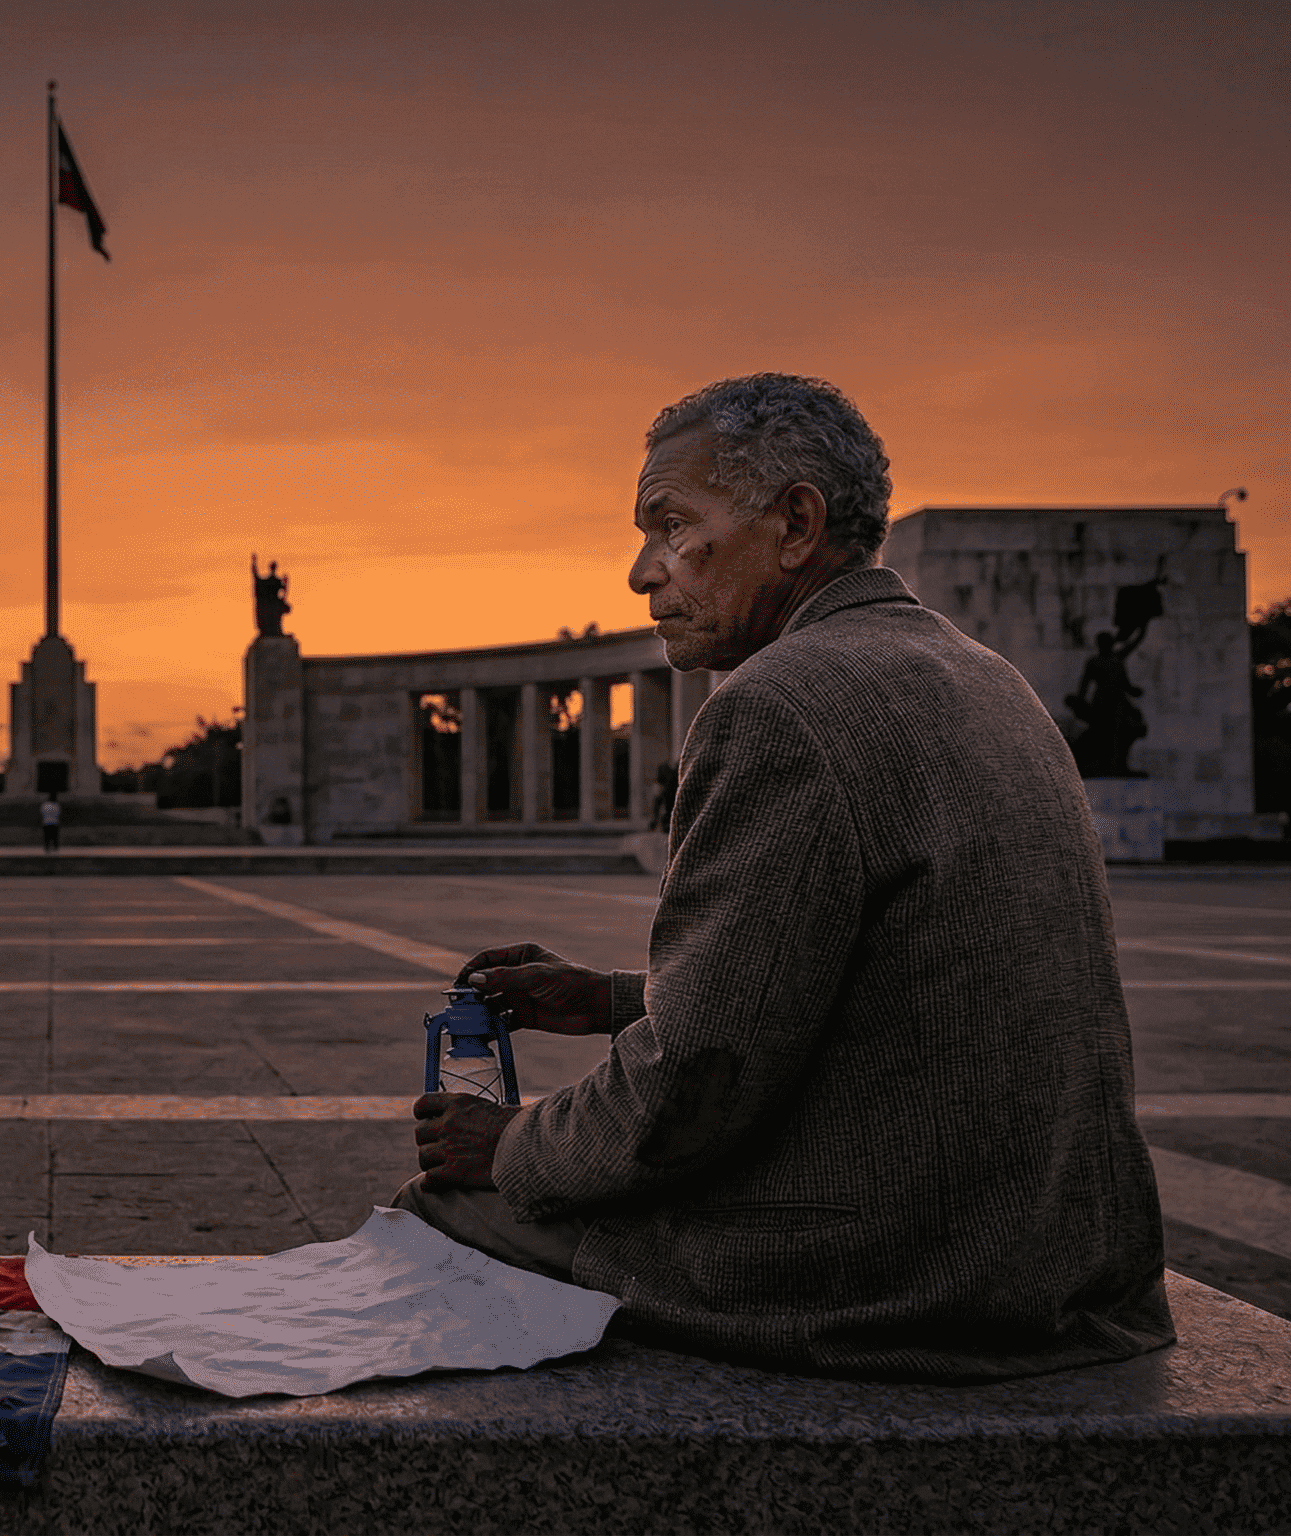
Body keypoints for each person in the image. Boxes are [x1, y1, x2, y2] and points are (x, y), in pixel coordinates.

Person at [399, 373, 1171, 1382]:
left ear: (794, 523)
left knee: (438, 1213)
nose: (641, 574)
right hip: (1070, 1260)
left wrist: (508, 1145)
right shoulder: (984, 677)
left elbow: (694, 1087)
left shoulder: (776, 704)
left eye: (669, 527)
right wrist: (611, 1001)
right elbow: (881, 979)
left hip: (905, 1276)